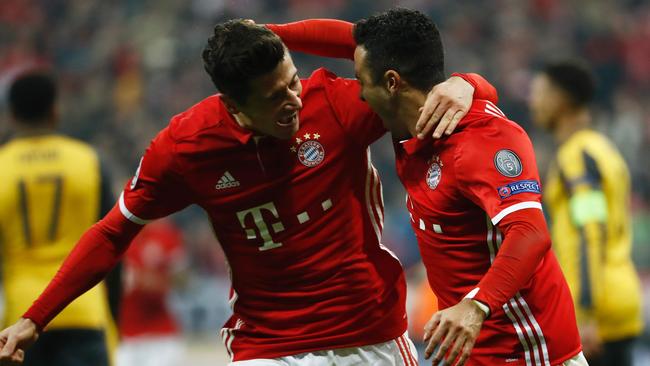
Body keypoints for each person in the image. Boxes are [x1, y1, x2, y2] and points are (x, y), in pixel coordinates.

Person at [0, 20, 497, 366]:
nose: (294, 101)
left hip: (368, 338)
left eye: (293, 82)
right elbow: (113, 233)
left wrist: (470, 84)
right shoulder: (185, 148)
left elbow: (391, 62)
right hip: (267, 346)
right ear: (234, 106)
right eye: (274, 96)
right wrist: (34, 318)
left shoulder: (336, 104)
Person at [271, 9, 587, 366]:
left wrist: (476, 305)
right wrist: (265, 34)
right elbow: (357, 41)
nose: (358, 94)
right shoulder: (409, 127)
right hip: (471, 355)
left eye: (362, 81)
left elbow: (530, 232)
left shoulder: (480, 139)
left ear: (392, 83)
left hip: (530, 352)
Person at [0, 71, 120, 366]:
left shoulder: (2, 166)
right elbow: (114, 243)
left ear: (12, 114)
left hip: (20, 320)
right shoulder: (89, 161)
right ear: (55, 110)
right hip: (85, 309)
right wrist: (114, 315)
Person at [530, 60, 643, 366]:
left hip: (596, 309)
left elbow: (589, 231)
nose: (534, 102)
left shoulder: (577, 157)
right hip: (619, 294)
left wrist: (585, 313)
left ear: (561, 99)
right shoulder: (603, 148)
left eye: (539, 93)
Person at [116, 219, 186, 366]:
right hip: (126, 335)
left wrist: (143, 280)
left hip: (160, 336)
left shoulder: (165, 235)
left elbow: (184, 282)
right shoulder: (114, 236)